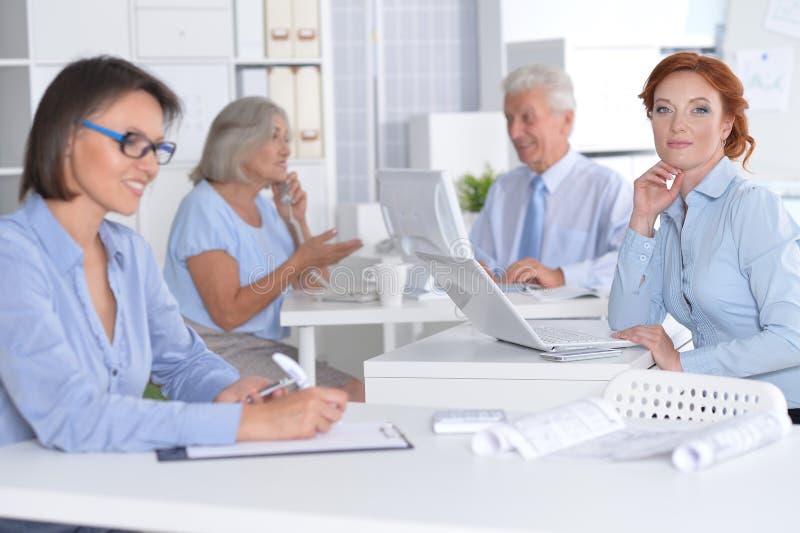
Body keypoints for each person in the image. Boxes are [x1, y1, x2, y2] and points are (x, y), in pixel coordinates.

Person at [0, 56, 348, 457]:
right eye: (131, 142)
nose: (150, 166)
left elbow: (182, 361)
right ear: (67, 138)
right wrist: (247, 423)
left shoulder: (129, 254)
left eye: (156, 148)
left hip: (110, 482)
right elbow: (72, 416)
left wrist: (230, 390)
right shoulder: (12, 257)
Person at [608, 52, 800, 420]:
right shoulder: (672, 214)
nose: (677, 125)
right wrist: (643, 218)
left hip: (781, 413)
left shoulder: (752, 207)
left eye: (699, 110)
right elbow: (626, 324)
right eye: (664, 109)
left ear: (726, 125)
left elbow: (793, 337)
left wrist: (685, 364)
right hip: (717, 405)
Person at [163, 97, 365, 401]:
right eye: (274, 137)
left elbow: (314, 283)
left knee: (357, 391)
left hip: (258, 347)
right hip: (213, 351)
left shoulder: (265, 207)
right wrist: (298, 260)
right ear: (238, 144)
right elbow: (228, 314)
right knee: (348, 395)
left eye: (286, 139)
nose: (286, 150)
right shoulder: (204, 208)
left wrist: (296, 220)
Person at [470, 64, 633, 289]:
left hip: (574, 312)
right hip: (504, 310)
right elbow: (479, 255)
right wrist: (478, 271)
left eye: (527, 118)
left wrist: (561, 276)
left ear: (566, 121)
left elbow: (633, 263)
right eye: (509, 118)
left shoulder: (608, 188)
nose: (514, 132)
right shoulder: (503, 189)